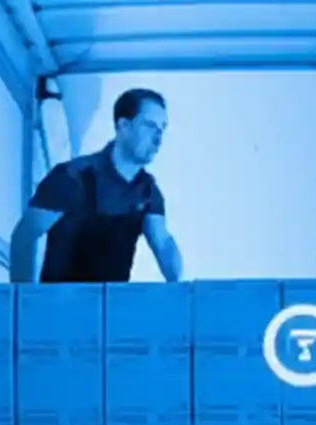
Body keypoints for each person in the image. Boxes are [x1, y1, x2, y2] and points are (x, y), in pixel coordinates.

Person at [9, 88, 184, 283]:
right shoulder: (72, 177)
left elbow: (163, 243)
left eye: (162, 129)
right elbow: (24, 236)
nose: (158, 139)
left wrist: (179, 287)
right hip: (59, 308)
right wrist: (22, 302)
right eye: (150, 126)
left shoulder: (148, 192)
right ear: (124, 125)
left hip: (109, 309)